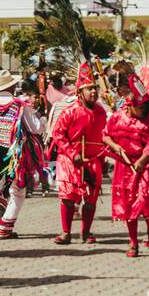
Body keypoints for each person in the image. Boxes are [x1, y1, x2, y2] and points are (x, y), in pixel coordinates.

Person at [105, 61, 149, 257]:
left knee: (146, 200)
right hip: (124, 168)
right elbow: (106, 135)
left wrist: (144, 159)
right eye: (139, 108)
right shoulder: (118, 117)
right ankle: (133, 242)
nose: (143, 112)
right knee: (128, 204)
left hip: (144, 166)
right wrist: (115, 146)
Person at [0, 71, 46, 240]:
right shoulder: (19, 105)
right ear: (11, 86)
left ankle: (2, 198)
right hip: (15, 154)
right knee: (18, 191)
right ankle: (5, 226)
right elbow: (35, 128)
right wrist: (43, 122)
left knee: (7, 183)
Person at [51, 63, 109, 245]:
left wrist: (103, 157)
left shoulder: (101, 112)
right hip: (70, 160)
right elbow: (57, 134)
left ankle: (86, 232)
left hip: (93, 160)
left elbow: (105, 136)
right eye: (89, 89)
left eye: (95, 88)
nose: (93, 92)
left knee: (91, 199)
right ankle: (66, 232)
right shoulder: (70, 112)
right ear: (79, 92)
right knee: (68, 198)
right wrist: (72, 153)